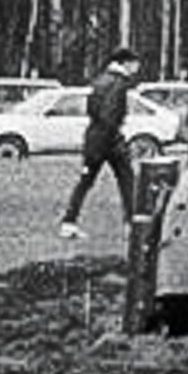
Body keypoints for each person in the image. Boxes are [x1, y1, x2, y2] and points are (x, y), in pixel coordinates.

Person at [58, 46, 141, 239]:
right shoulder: (118, 83)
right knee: (127, 181)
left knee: (86, 182)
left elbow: (93, 109)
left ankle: (69, 222)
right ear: (125, 63)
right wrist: (116, 139)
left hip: (96, 138)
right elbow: (109, 114)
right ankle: (131, 223)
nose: (137, 68)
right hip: (108, 141)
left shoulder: (100, 79)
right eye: (135, 63)